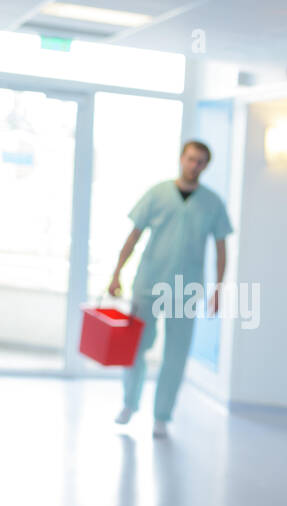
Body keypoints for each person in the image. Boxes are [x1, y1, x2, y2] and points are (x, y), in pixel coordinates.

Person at [108, 139, 233, 438]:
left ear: (206, 166)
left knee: (176, 354)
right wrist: (116, 273)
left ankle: (162, 415)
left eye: (200, 161)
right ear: (181, 159)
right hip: (149, 284)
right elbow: (133, 236)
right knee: (136, 347)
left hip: (186, 290)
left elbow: (221, 249)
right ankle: (129, 404)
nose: (194, 165)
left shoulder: (212, 204)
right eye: (190, 159)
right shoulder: (157, 194)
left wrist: (218, 289)